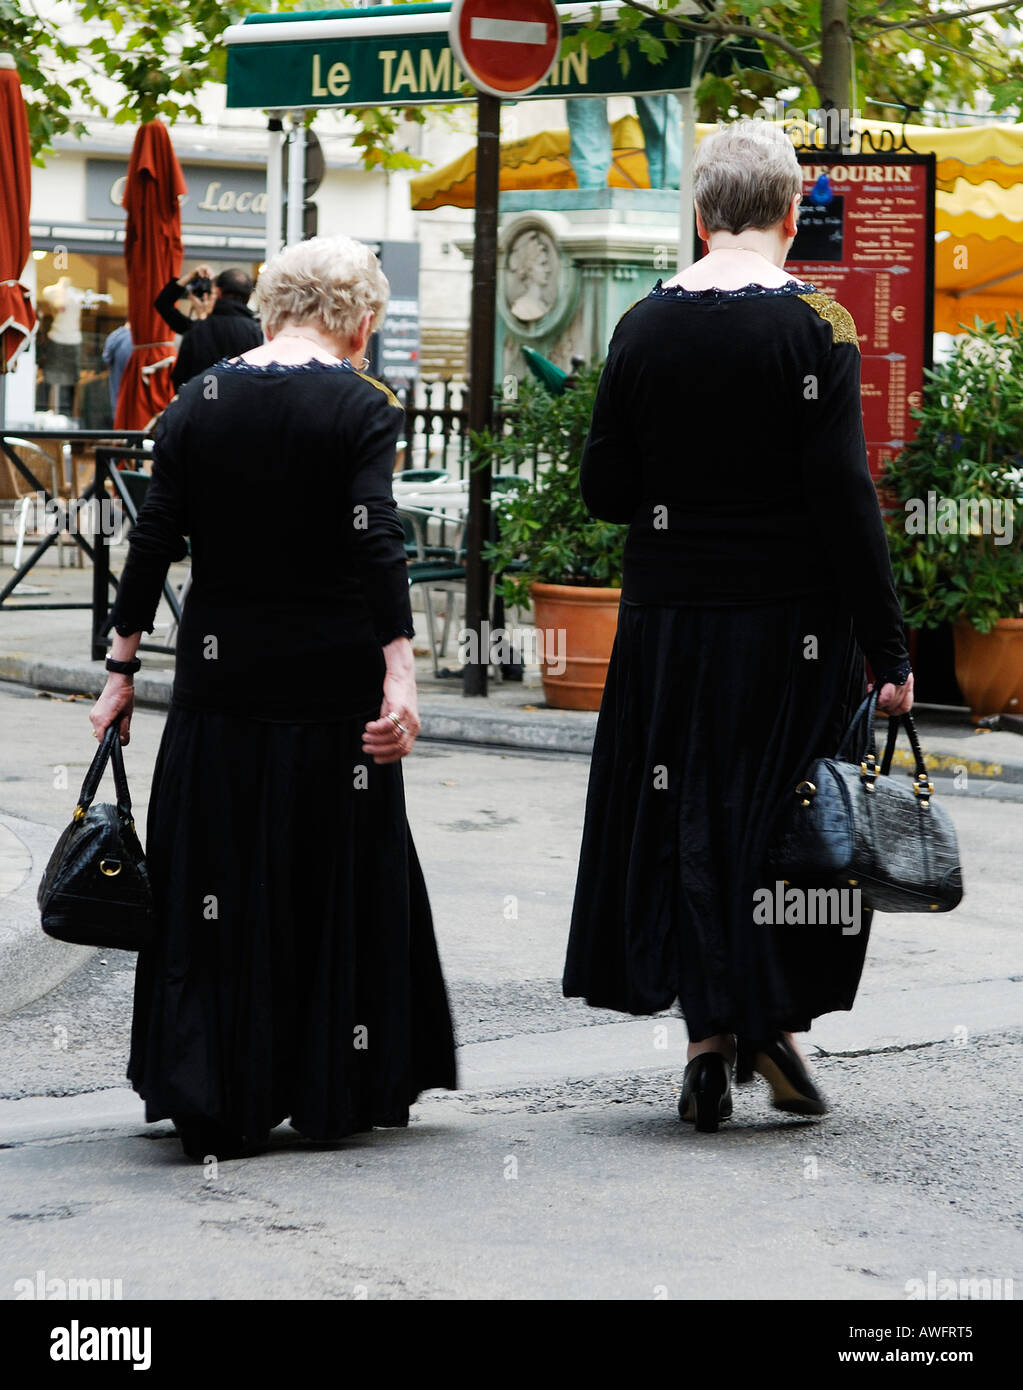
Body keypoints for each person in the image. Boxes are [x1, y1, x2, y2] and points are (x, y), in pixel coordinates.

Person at [562, 119, 914, 1132]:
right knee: (781, 824)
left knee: (684, 818)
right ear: (791, 214)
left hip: (670, 622)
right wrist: (887, 649)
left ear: (702, 215)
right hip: (788, 629)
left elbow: (604, 490)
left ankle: (710, 1043)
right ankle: (770, 1023)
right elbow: (848, 499)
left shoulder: (641, 325)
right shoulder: (819, 330)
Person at [90, 235, 457, 1160]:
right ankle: (332, 1082)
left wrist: (121, 669)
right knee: (328, 877)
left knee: (216, 878)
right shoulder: (359, 404)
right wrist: (400, 672)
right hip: (331, 686)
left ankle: (216, 1091)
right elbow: (377, 540)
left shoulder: (193, 405)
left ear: (274, 307)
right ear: (359, 320)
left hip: (221, 685)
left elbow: (152, 542)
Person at [154, 264, 263, 391]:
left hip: (203, 402)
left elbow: (163, 304)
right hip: (243, 404)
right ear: (249, 296)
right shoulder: (257, 329)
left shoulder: (197, 329)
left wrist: (191, 276)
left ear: (218, 292)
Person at [101, 322, 133, 416]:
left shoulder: (115, 336)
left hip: (117, 405)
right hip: (134, 409)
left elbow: (106, 357)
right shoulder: (138, 340)